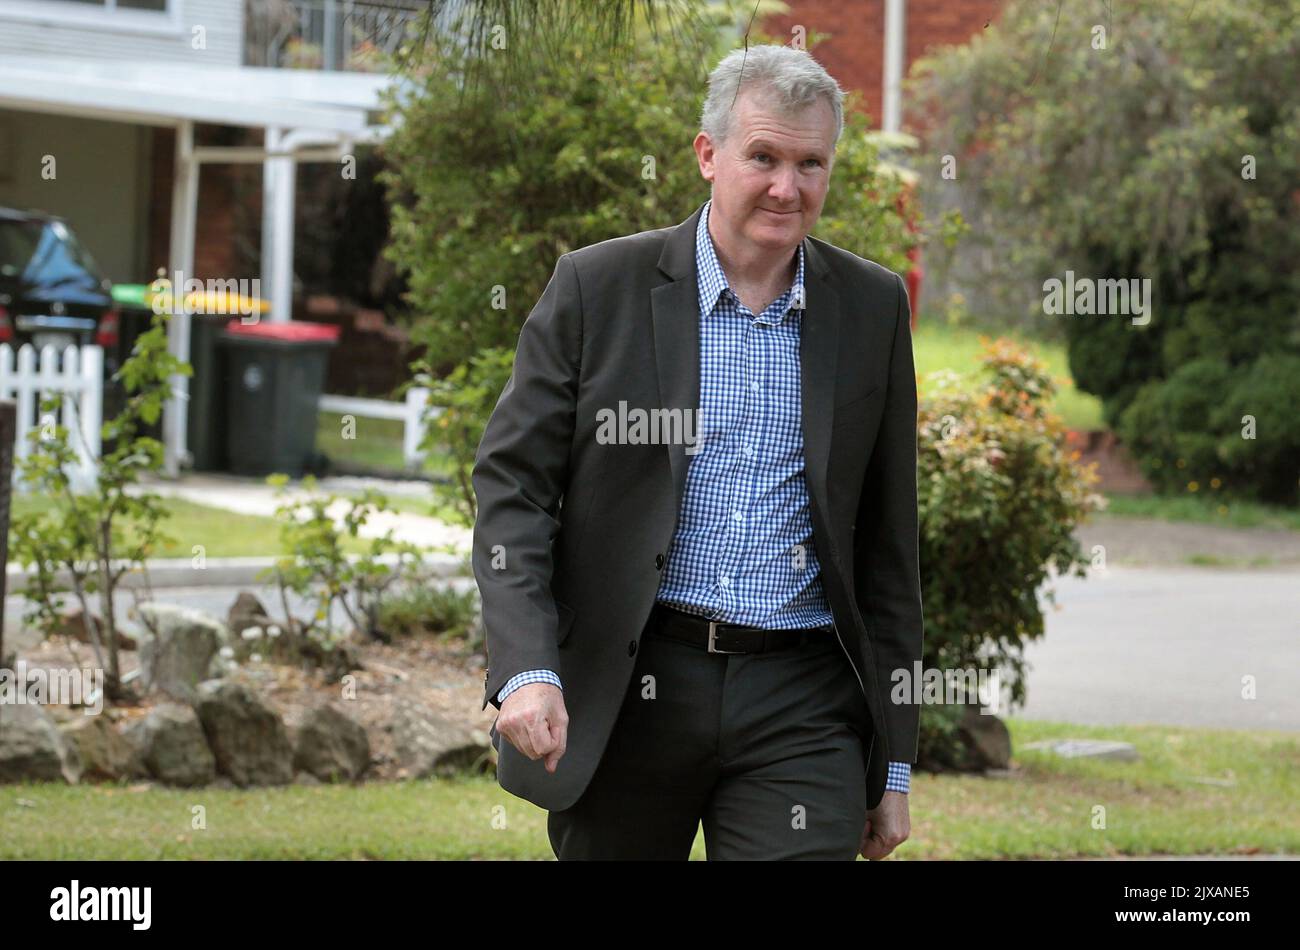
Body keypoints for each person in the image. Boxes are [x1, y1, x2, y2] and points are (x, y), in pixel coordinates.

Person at [472, 44, 923, 860]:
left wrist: (893, 761)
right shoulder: (595, 288)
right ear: (708, 155)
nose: (787, 187)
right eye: (764, 157)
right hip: (632, 686)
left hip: (805, 700)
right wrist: (526, 667)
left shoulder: (872, 308)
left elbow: (891, 549)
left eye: (810, 163)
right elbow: (514, 490)